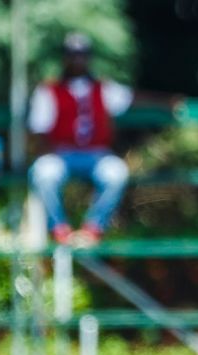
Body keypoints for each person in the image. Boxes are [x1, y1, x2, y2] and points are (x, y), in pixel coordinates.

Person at [28, 33, 133, 247]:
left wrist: (167, 103)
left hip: (96, 155)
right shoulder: (48, 90)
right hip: (61, 153)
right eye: (72, 55)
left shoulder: (103, 87)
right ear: (65, 58)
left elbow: (133, 99)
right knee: (43, 173)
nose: (77, 59)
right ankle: (59, 230)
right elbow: (37, 131)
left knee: (117, 173)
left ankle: (92, 229)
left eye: (82, 55)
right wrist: (44, 151)